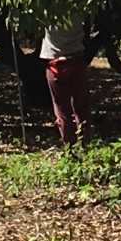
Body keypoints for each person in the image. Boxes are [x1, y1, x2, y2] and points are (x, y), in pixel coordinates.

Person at [40, 20, 93, 148]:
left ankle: (69, 148)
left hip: (55, 64)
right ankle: (85, 145)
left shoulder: (48, 10)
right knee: (81, 107)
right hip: (76, 60)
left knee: (62, 110)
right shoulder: (78, 6)